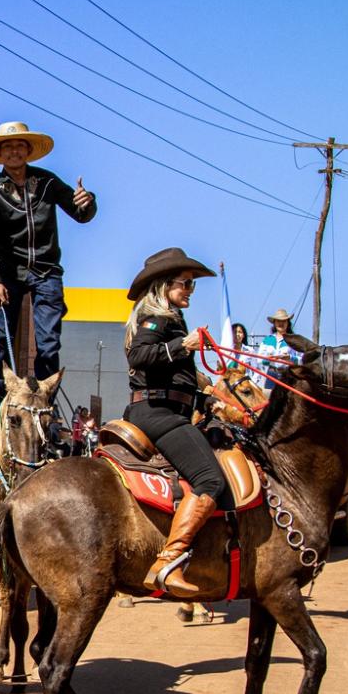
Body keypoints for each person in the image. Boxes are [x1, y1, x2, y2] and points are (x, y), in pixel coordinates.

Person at [123, 247, 229, 595]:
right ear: (164, 285)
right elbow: (139, 356)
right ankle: (168, 562)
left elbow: (176, 381)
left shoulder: (171, 320)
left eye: (192, 285)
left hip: (165, 409)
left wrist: (206, 397)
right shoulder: (157, 319)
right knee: (210, 479)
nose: (190, 290)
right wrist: (184, 344)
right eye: (185, 283)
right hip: (158, 414)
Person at [0, 122, 96, 380]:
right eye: (8, 147)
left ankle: (43, 401)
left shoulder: (47, 181)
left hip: (47, 271)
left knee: (49, 344)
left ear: (28, 150)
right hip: (9, 273)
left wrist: (87, 202)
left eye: (20, 145)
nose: (14, 151)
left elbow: (80, 214)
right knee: (1, 342)